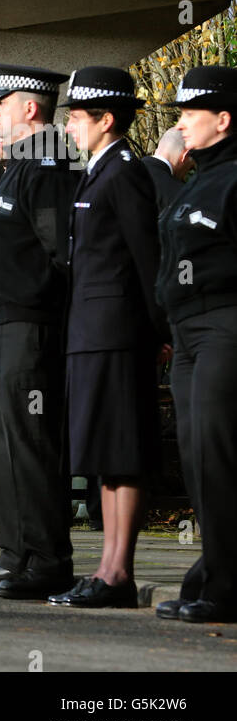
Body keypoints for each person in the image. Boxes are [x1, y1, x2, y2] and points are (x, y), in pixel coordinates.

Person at [49, 66, 166, 609]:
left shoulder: (125, 172)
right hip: (91, 332)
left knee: (122, 449)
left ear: (106, 119)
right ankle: (106, 568)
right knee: (103, 450)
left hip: (119, 333)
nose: (69, 127)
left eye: (76, 117)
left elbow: (149, 261)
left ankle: (118, 571)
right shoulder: (97, 171)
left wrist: (157, 332)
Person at [0, 63, 77, 599]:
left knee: (29, 444)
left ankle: (46, 559)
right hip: (4, 326)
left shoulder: (49, 164)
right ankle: (15, 554)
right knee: (6, 444)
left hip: (31, 326)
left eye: (0, 104)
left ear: (30, 108)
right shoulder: (20, 167)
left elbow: (61, 252)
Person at [155, 65, 237, 623]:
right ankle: (212, 570)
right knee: (196, 457)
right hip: (186, 334)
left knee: (217, 455)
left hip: (223, 327)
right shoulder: (199, 178)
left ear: (224, 120)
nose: (180, 124)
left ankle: (226, 584)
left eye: (189, 114)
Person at [142, 126, 192, 215]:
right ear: (185, 156)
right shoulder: (179, 195)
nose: (187, 172)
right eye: (190, 167)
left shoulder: (126, 170)